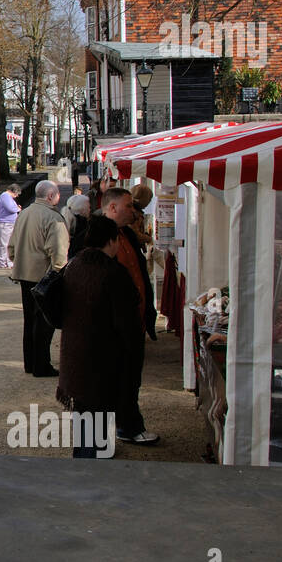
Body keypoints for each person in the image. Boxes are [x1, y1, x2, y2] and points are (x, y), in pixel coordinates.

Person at [57, 216, 144, 457]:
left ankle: (91, 454)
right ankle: (91, 465)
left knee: (86, 415)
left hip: (75, 352)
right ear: (113, 240)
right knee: (97, 412)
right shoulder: (113, 273)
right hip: (102, 357)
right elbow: (128, 324)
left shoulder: (74, 266)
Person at [101, 187, 160, 444]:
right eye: (128, 206)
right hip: (114, 325)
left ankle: (128, 425)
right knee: (112, 378)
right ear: (112, 208)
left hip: (133, 321)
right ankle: (123, 428)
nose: (133, 211)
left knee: (131, 377)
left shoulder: (127, 234)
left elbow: (139, 274)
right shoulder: (98, 235)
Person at [8, 179, 68, 378]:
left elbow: (12, 246)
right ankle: (41, 365)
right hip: (44, 276)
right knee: (44, 322)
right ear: (51, 196)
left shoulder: (24, 213)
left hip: (24, 274)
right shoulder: (53, 218)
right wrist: (59, 273)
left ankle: (31, 363)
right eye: (57, 193)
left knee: (29, 320)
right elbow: (58, 253)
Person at [0, 184, 21, 269]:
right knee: (4, 245)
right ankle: (3, 264)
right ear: (14, 191)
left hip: (7, 224)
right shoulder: (5, 196)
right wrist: (18, 209)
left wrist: (16, 207)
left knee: (7, 244)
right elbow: (11, 208)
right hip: (4, 224)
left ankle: (8, 262)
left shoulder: (7, 197)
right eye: (17, 194)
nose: (17, 196)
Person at [65, 192, 91, 259]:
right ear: (83, 209)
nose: (90, 210)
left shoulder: (67, 220)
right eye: (89, 207)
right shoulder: (82, 225)